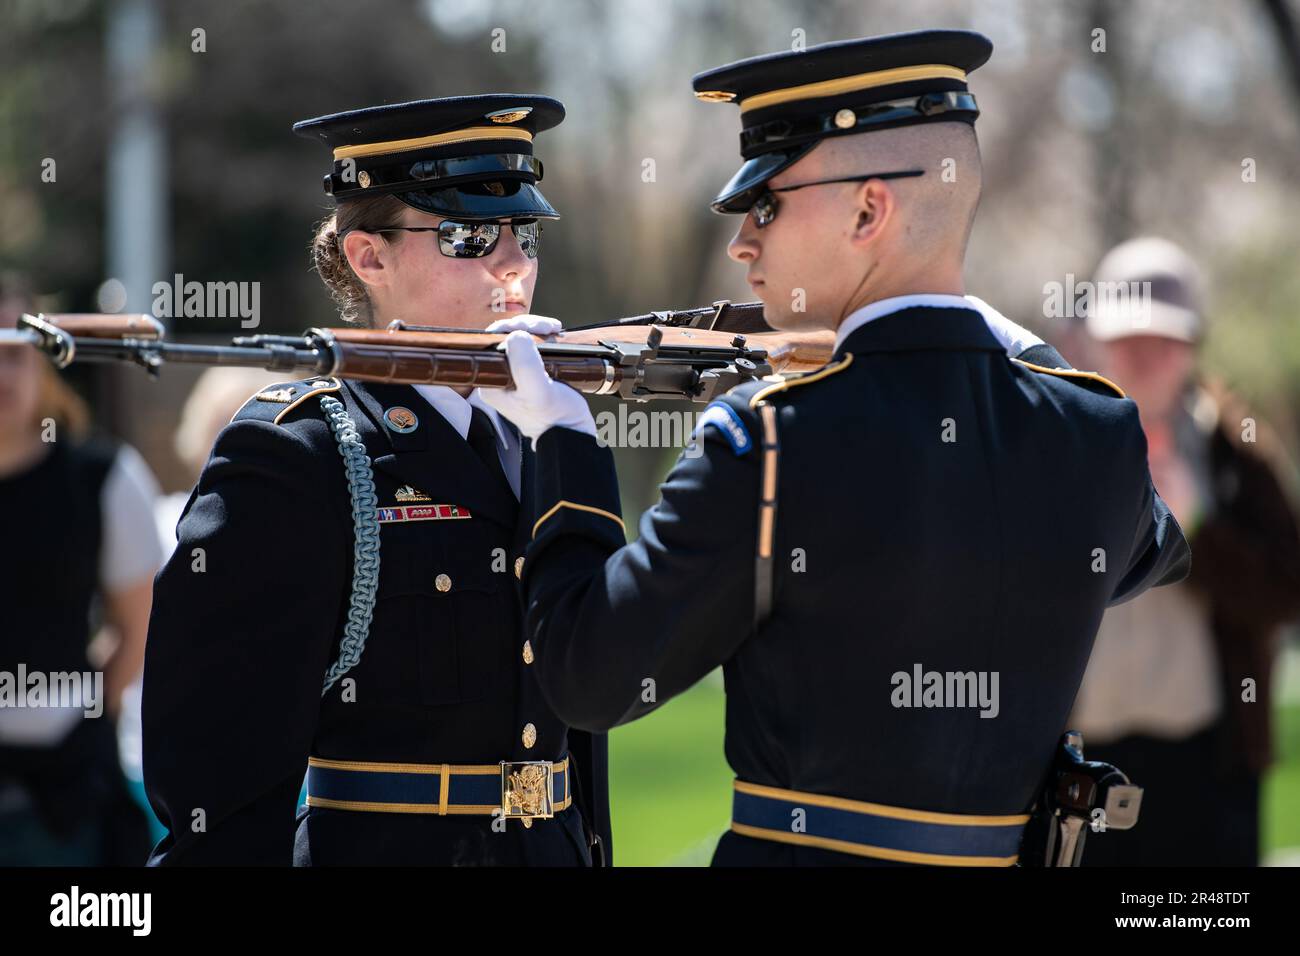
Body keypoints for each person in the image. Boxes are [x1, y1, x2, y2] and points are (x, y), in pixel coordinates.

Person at [483, 31, 1191, 866]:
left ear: (868, 211)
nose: (744, 241)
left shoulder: (770, 438)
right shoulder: (1099, 433)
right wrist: (1012, 346)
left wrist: (561, 440)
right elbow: (1157, 551)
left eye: (768, 204)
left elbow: (593, 676)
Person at [141, 95, 611, 866]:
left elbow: (596, 683)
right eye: (469, 236)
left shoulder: (542, 426)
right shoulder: (298, 450)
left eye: (524, 234)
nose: (513, 264)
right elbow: (218, 796)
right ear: (370, 258)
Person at [1069, 237, 1300, 866]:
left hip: (1209, 762)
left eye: (1162, 342)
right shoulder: (1061, 444)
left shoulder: (1234, 451)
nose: (1143, 359)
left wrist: (1196, 522)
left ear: (1193, 347)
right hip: (1085, 765)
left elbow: (1285, 591)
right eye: (1126, 340)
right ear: (1095, 343)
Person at [0, 273, 160, 865]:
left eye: (15, 354)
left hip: (63, 802)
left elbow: (136, 627)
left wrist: (83, 714)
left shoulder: (105, 477)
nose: (1, 375)